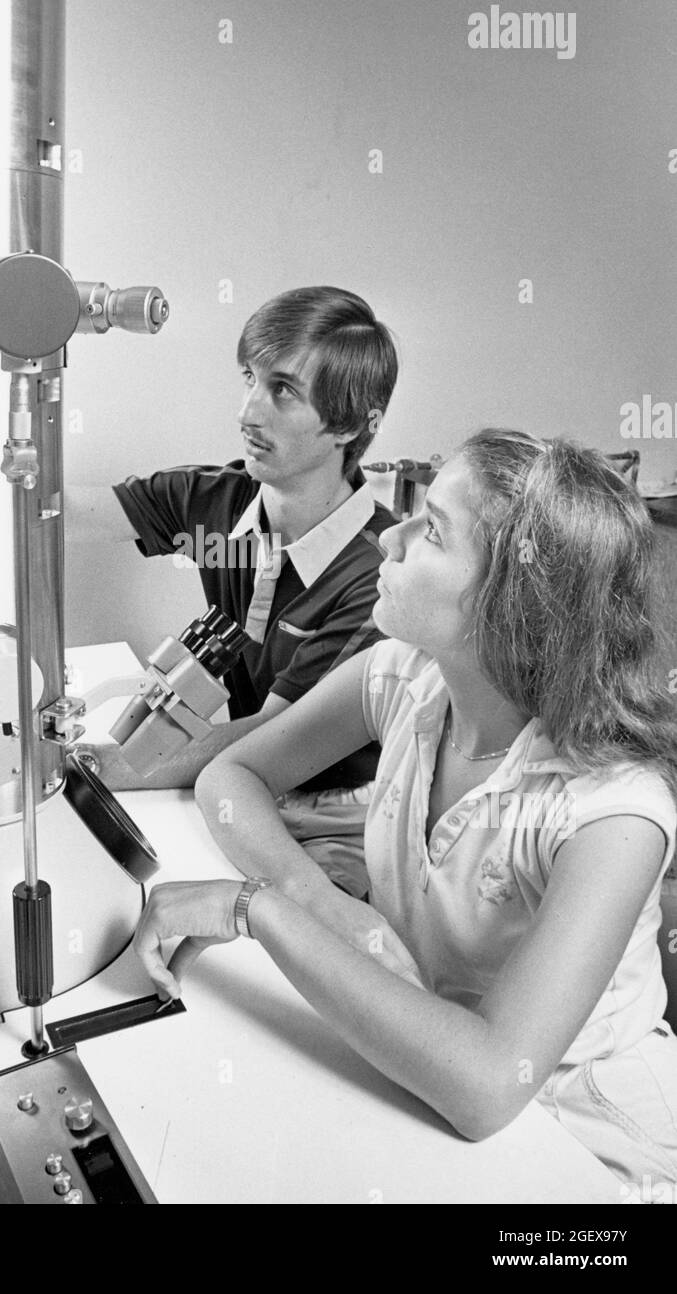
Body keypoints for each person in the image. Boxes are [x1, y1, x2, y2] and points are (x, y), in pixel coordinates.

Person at [132, 428, 677, 1189]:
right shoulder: (403, 676)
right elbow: (234, 775)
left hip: (583, 1137)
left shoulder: (613, 811)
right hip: (420, 1068)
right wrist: (321, 902)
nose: (389, 534)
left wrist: (258, 908)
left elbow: (489, 1085)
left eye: (432, 530)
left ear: (511, 601)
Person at [67, 286, 400, 897]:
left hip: (339, 815)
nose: (248, 412)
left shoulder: (376, 576)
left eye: (283, 390)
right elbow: (65, 516)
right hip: (241, 786)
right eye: (249, 378)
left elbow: (271, 737)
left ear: (352, 423)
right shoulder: (218, 501)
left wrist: (100, 765)